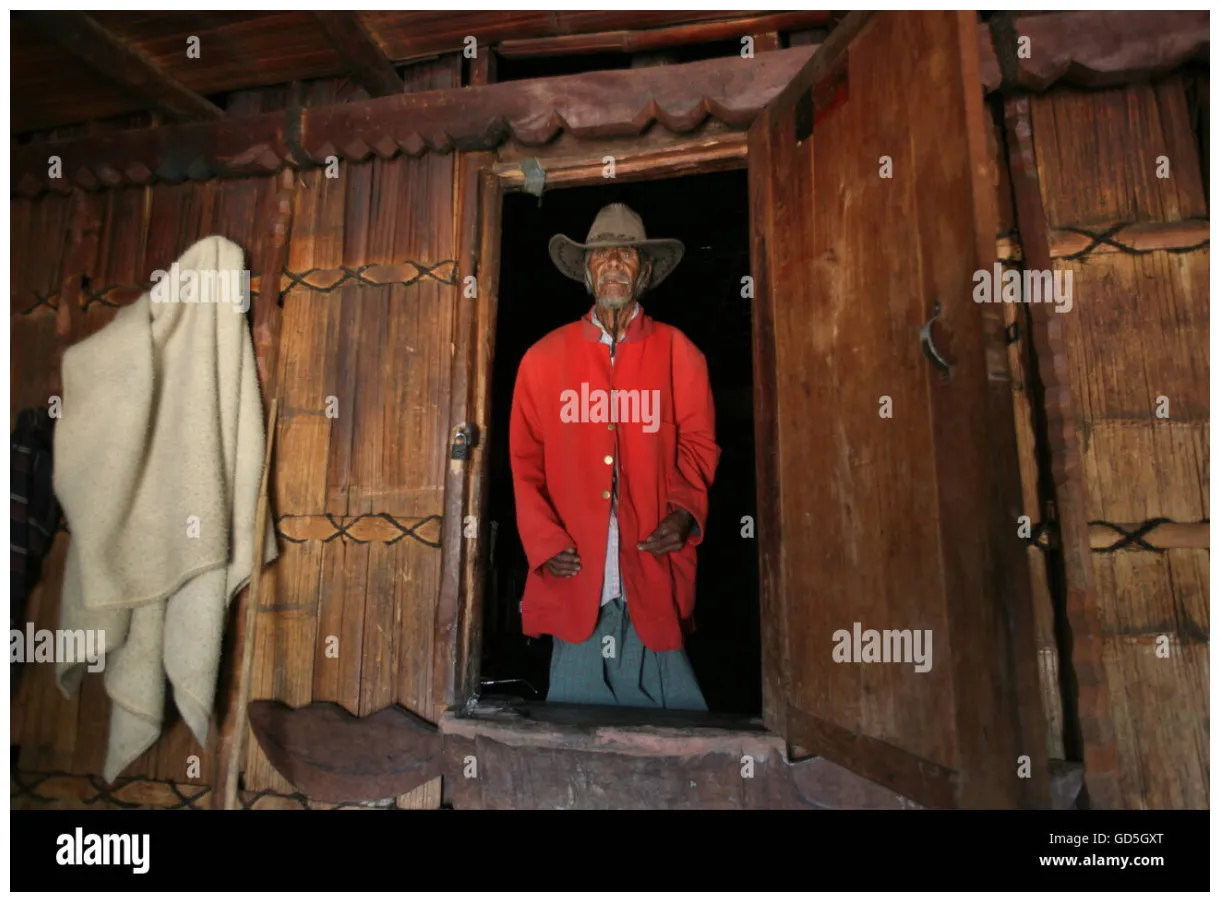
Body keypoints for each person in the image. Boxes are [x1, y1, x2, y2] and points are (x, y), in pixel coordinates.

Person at [508, 202, 720, 710]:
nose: (613, 265)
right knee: (573, 723)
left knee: (675, 725)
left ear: (645, 273)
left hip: (651, 562)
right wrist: (544, 540)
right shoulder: (542, 360)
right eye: (601, 256)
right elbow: (524, 461)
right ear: (586, 271)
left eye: (627, 255)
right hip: (578, 567)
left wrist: (684, 511)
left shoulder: (680, 353)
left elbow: (699, 444)